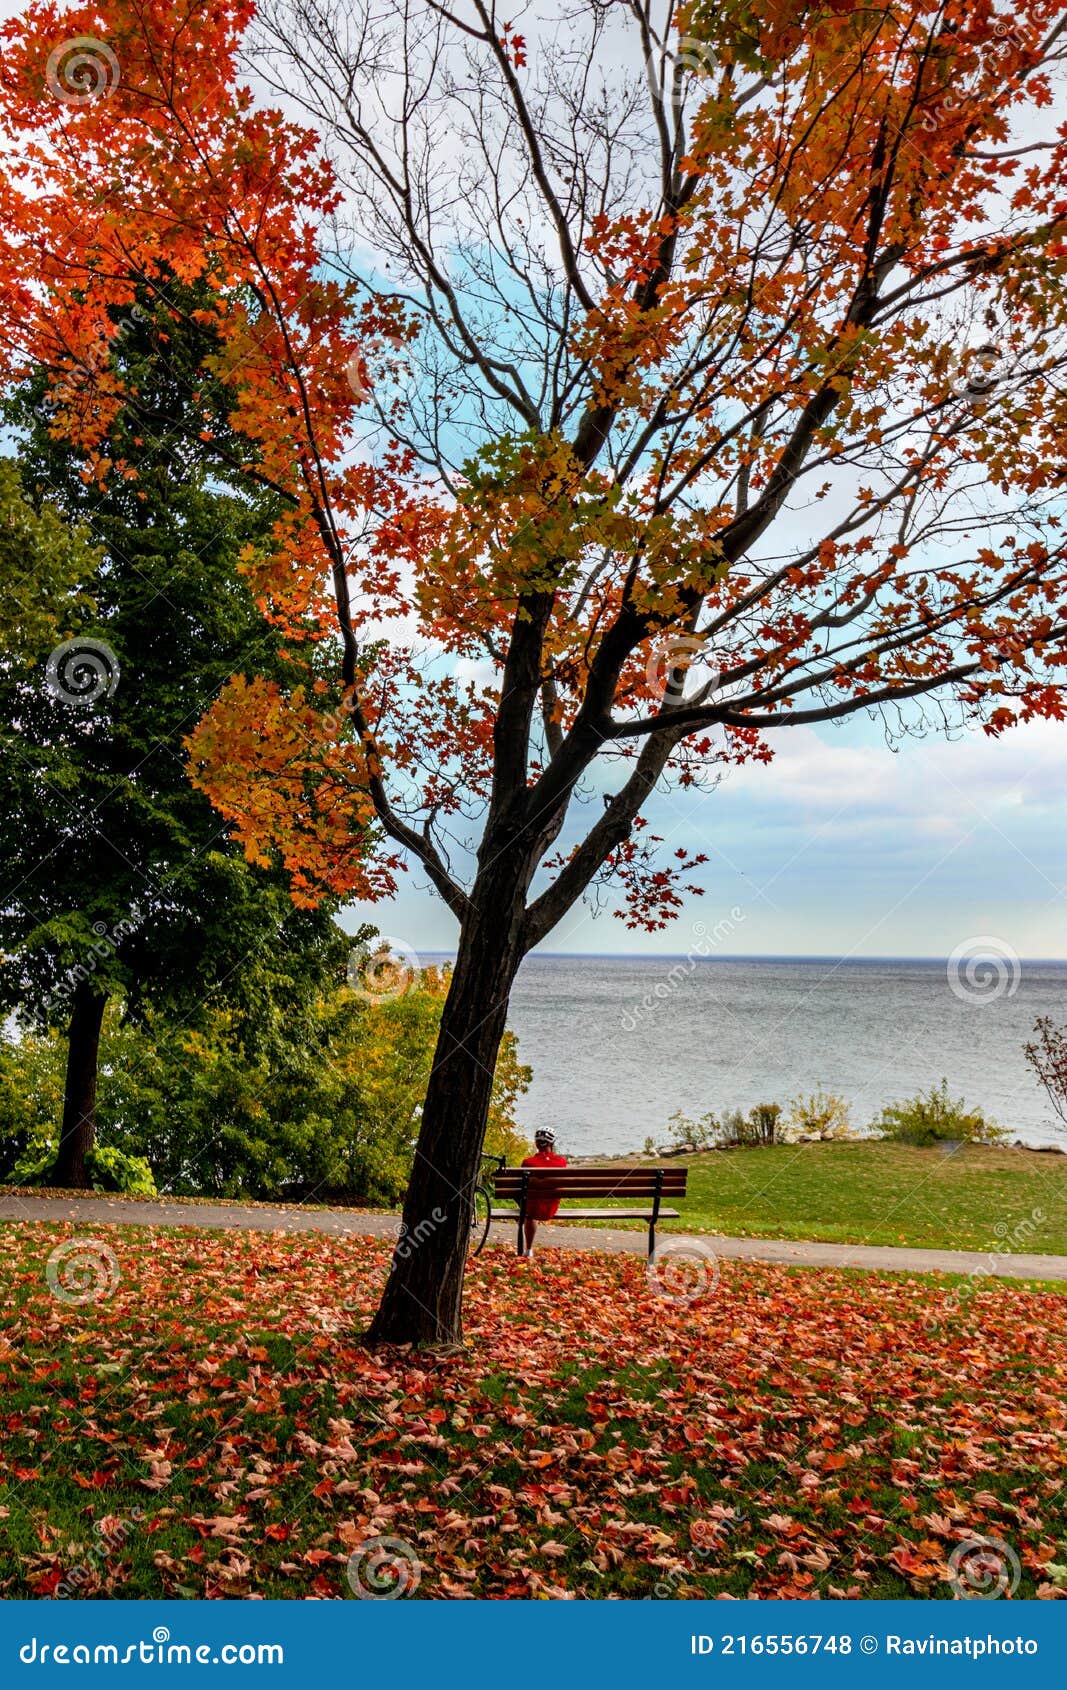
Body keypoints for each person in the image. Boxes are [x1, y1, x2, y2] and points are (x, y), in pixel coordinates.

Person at [520, 1129, 567, 1258]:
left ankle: (528, 1250)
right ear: (552, 1143)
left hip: (532, 1209)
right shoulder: (561, 1162)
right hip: (552, 1208)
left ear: (536, 1143)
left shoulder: (528, 1162)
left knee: (529, 1209)